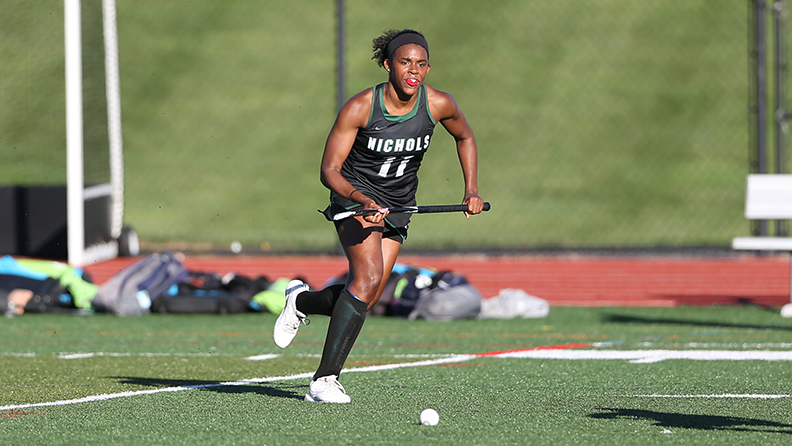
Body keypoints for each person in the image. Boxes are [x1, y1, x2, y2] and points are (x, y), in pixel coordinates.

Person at [273, 29, 484, 403]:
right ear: (388, 65)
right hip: (353, 197)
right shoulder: (360, 108)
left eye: (421, 64)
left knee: (366, 295)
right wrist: (361, 198)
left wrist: (470, 190)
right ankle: (324, 380)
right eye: (405, 62)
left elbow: (465, 137)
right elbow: (329, 170)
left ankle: (301, 302)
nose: (413, 71)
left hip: (400, 204)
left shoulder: (438, 104)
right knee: (368, 278)